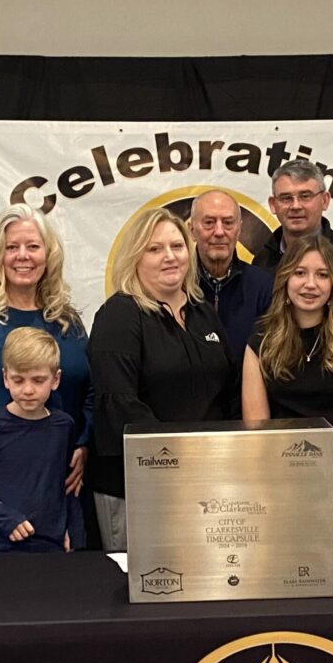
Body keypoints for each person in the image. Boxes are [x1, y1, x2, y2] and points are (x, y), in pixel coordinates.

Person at [0, 204, 92, 550]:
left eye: (33, 246)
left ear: (48, 254)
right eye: (12, 247)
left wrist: (82, 445)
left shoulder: (68, 322)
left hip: (59, 491)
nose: (22, 256)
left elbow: (89, 393)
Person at [88, 207, 237, 550]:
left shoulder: (204, 314)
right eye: (155, 249)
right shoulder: (120, 315)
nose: (169, 257)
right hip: (136, 487)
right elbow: (120, 405)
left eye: (177, 246)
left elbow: (228, 391)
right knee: (147, 590)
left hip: (207, 482)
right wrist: (178, 463)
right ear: (135, 257)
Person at [242, 236, 333, 542]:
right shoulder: (260, 343)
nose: (311, 284)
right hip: (286, 494)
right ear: (285, 280)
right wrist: (280, 506)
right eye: (300, 273)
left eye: (322, 275)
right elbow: (258, 435)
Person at [0, 328, 84, 554]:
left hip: (52, 545)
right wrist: (5, 518)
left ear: (55, 379)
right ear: (5, 378)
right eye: (18, 380)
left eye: (38, 380)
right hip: (2, 546)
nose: (28, 390)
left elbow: (67, 484)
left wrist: (75, 530)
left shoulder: (64, 426)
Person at [250, 159, 333, 287]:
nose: (295, 206)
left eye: (305, 196)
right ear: (273, 204)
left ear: (324, 200)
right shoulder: (262, 261)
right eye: (286, 198)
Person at [188, 189, 271, 358]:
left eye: (227, 223)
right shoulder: (176, 285)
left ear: (239, 230)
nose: (219, 232)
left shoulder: (262, 287)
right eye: (209, 222)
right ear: (191, 230)